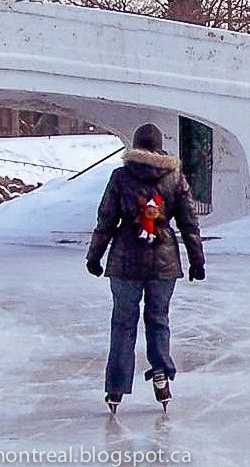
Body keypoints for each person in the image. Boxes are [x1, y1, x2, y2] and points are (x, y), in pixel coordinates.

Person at [86, 123, 206, 413]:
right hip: (163, 263)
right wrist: (197, 259)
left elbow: (106, 221)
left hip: (125, 262)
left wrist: (95, 255)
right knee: (158, 320)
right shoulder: (175, 178)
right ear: (160, 146)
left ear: (136, 146)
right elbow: (189, 222)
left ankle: (115, 387)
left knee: (123, 323)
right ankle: (161, 372)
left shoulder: (120, 177)